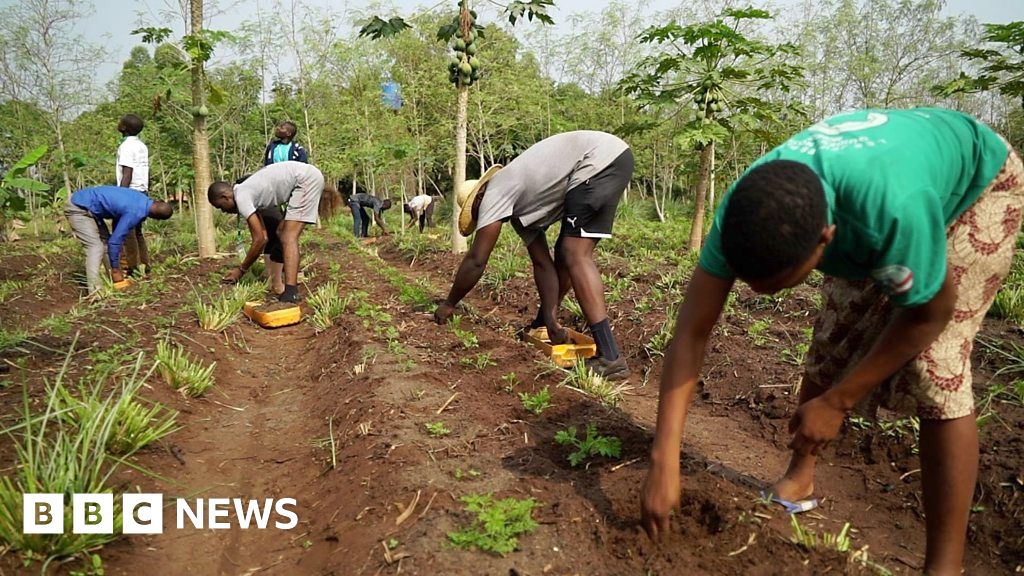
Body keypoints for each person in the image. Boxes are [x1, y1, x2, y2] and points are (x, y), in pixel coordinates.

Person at [640, 108, 1020, 575]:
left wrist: (839, 402)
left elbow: (930, 313)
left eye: (777, 283)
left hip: (978, 184)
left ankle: (945, 566)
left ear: (826, 240)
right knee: (832, 344)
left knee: (936, 371)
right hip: (874, 193)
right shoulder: (745, 209)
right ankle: (799, 479)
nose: (758, 292)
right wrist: (664, 459)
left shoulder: (891, 213)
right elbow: (692, 330)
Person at [433, 130, 634, 380]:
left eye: (478, 213)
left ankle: (610, 357)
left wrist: (449, 303)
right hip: (612, 158)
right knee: (565, 252)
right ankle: (543, 323)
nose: (483, 217)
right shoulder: (519, 210)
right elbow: (542, 264)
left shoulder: (495, 191)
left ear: (479, 199)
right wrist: (549, 319)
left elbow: (477, 259)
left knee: (575, 253)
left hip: (597, 160)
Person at [208, 161, 335, 303]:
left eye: (220, 206)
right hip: (303, 178)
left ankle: (291, 293)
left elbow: (259, 240)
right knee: (281, 231)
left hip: (305, 180)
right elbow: (264, 237)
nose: (224, 211)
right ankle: (279, 285)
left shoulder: (242, 197)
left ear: (225, 197)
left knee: (288, 236)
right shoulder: (246, 191)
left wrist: (241, 270)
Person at [65, 185, 174, 294]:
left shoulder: (141, 198)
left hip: (89, 205)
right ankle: (95, 291)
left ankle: (114, 282)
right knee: (95, 247)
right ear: (156, 218)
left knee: (105, 243)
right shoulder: (135, 213)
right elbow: (115, 241)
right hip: (78, 207)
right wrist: (116, 269)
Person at [116, 114, 150, 276]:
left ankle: (133, 267)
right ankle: (145, 264)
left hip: (130, 192)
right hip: (142, 191)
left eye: (120, 121)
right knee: (137, 231)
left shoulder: (126, 147)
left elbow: (127, 173)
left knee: (127, 232)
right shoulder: (141, 146)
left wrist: (121, 196)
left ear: (124, 128)